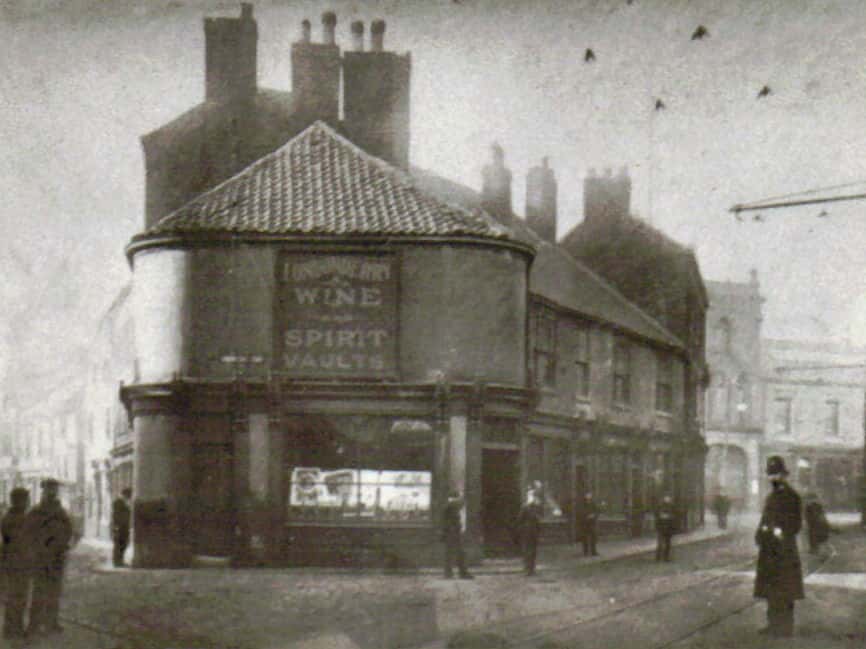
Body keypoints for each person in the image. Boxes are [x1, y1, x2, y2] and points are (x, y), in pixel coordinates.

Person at [754, 456, 804, 638]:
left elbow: (796, 524)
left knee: (785, 587)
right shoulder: (771, 497)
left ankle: (786, 626)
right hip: (769, 549)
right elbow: (764, 520)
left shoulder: (792, 496)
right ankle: (773, 624)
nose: (773, 478)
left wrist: (780, 531)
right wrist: (760, 534)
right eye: (771, 474)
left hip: (784, 550)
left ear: (784, 475)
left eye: (776, 474)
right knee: (771, 587)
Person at [26, 478, 73, 636]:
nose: (52, 492)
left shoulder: (61, 512)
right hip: (41, 557)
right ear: (44, 491)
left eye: (54, 489)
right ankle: (34, 625)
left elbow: (69, 530)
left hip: (57, 556)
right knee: (39, 591)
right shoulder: (36, 511)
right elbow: (28, 533)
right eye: (49, 489)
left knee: (54, 591)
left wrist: (63, 543)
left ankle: (51, 622)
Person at [1, 488, 32, 639]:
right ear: (19, 501)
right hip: (16, 563)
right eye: (26, 499)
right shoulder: (15, 519)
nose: (28, 502)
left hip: (16, 562)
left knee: (17, 597)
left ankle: (12, 628)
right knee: (17, 597)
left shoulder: (10, 517)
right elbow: (18, 542)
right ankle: (14, 629)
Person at [441, 489, 473, 579]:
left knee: (452, 553)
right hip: (454, 532)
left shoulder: (449, 505)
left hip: (451, 532)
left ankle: (449, 573)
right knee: (459, 553)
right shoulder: (452, 505)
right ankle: (461, 573)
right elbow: (453, 519)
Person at [517, 485, 543, 576]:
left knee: (533, 551)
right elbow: (520, 519)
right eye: (531, 495)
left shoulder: (536, 507)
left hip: (534, 532)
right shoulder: (525, 507)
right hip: (526, 532)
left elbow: (539, 519)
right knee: (527, 551)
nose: (532, 497)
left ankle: (532, 569)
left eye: (533, 496)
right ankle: (527, 569)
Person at [111, 488, 132, 567]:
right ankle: (117, 562)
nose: (129, 498)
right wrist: (116, 527)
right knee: (119, 545)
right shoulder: (118, 502)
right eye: (128, 496)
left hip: (124, 527)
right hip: (119, 527)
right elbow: (116, 516)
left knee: (123, 544)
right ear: (125, 495)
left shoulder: (124, 502)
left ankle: (120, 561)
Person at [655, 494, 675, 562]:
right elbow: (658, 517)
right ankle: (659, 557)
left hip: (668, 528)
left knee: (667, 543)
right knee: (660, 543)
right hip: (662, 528)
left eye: (668, 498)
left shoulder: (671, 507)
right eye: (666, 498)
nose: (667, 499)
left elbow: (673, 518)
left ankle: (665, 557)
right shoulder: (660, 507)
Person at [579, 492, 600, 557]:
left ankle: (593, 551)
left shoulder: (593, 504)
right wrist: (586, 516)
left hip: (592, 523)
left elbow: (597, 511)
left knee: (593, 537)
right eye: (587, 495)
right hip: (584, 523)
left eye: (589, 495)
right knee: (585, 537)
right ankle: (585, 551)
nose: (588, 496)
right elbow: (580, 512)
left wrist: (594, 515)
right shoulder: (582, 504)